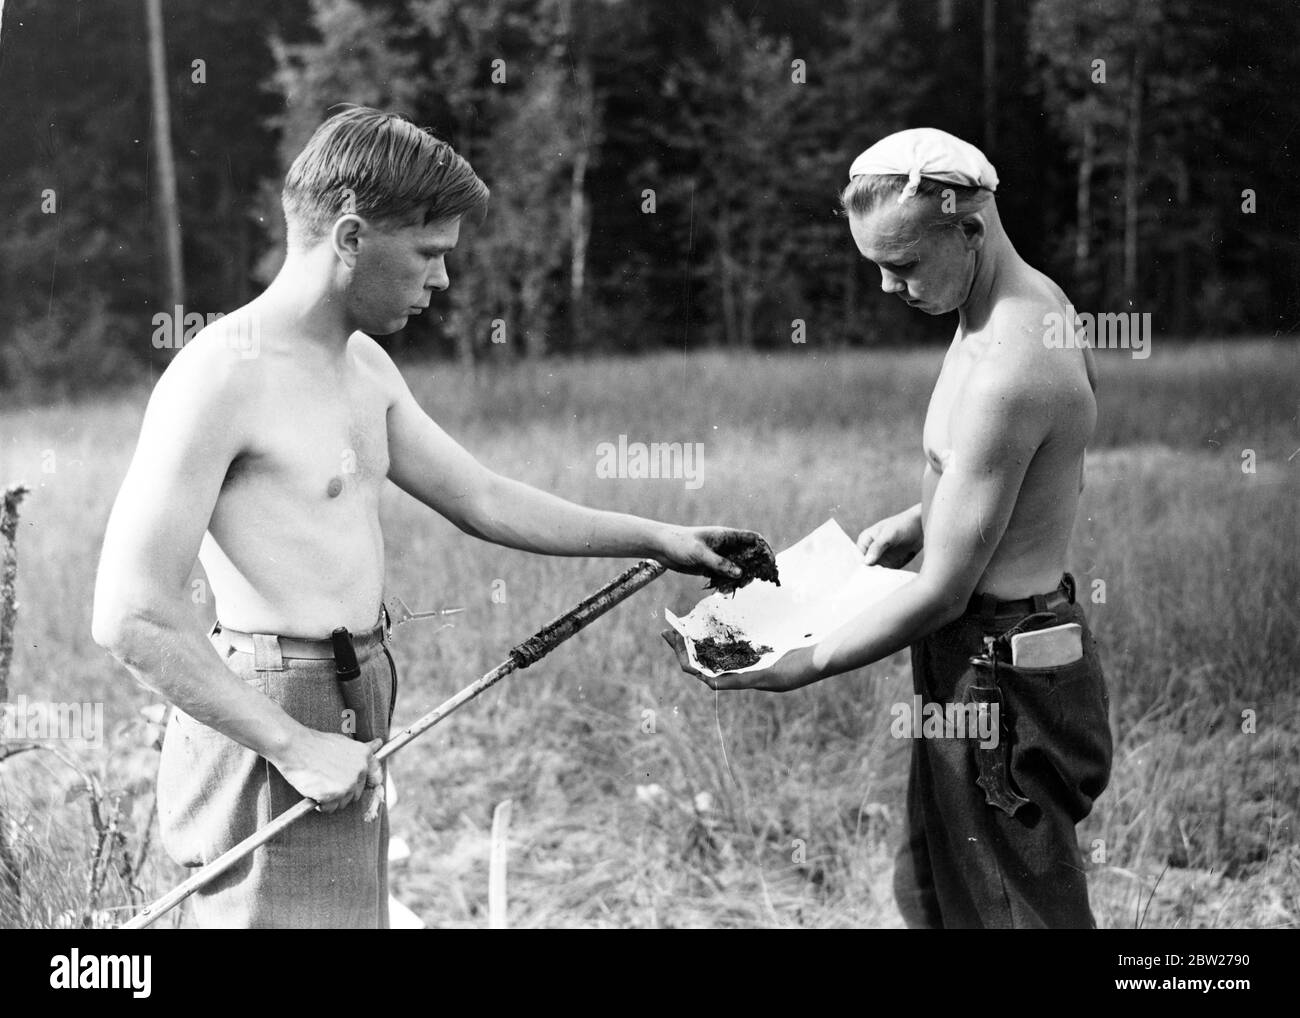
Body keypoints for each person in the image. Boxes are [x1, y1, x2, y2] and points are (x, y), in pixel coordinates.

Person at [92, 106, 760, 929]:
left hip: (354, 688)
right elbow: (129, 614)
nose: (442, 282)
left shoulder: (364, 365)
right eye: (428, 254)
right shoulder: (218, 378)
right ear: (349, 236)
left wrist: (662, 539)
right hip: (272, 711)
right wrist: (291, 744)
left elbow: (480, 497)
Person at [667, 128, 1112, 929]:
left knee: (1013, 913)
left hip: (1000, 669)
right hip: (978, 657)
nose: (885, 286)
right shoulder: (1018, 306)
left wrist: (800, 662)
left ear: (966, 228)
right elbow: (1055, 448)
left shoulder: (1010, 363)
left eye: (902, 264)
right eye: (875, 263)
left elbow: (943, 592)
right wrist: (927, 515)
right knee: (935, 896)